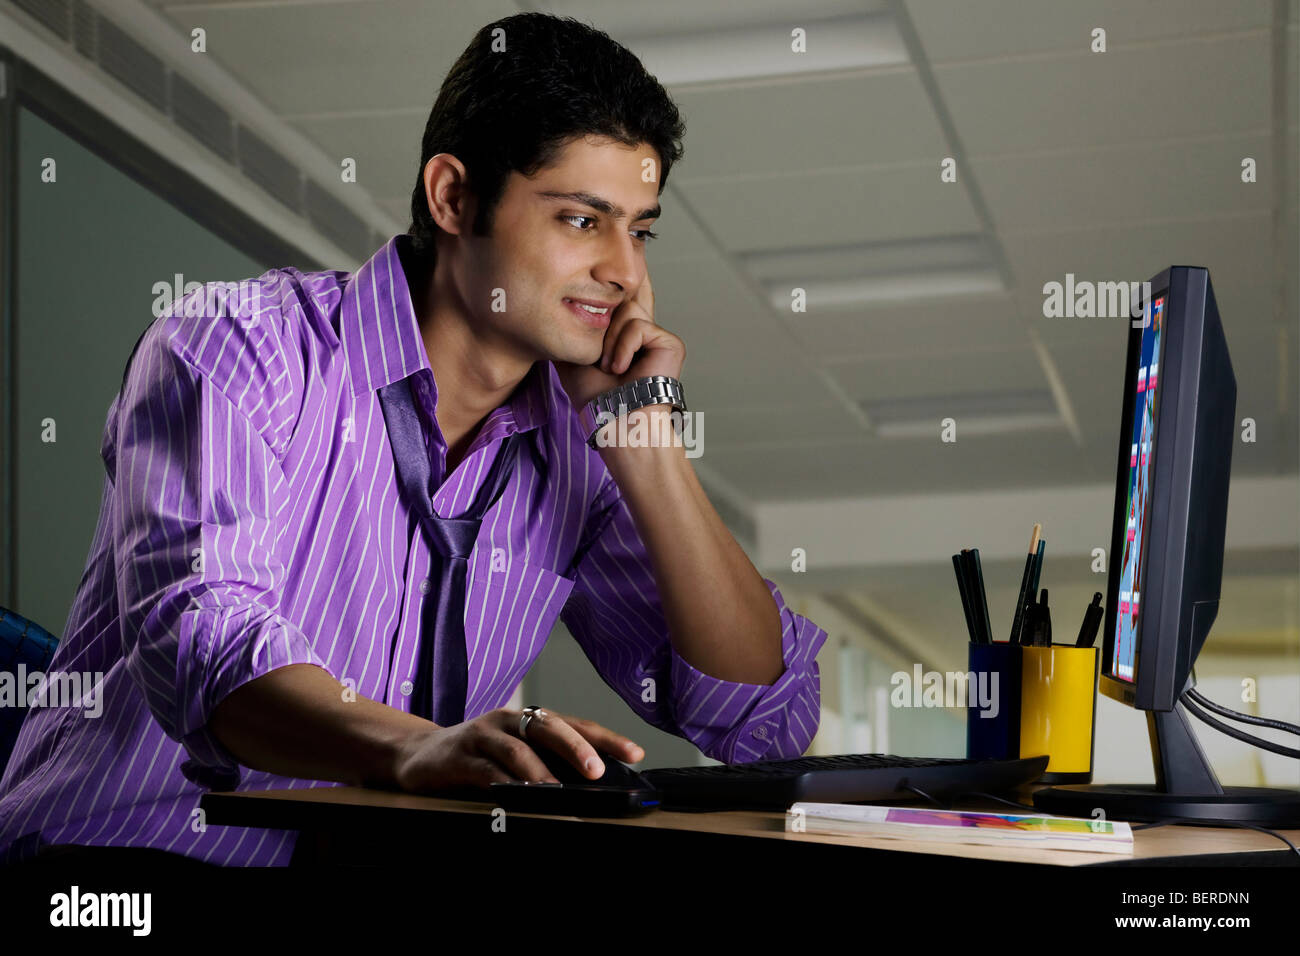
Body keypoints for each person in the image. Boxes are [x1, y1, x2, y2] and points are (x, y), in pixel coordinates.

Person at [0, 12, 827, 868]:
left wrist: (644, 440)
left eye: (641, 229)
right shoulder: (237, 348)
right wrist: (410, 747)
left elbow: (763, 722)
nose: (626, 272)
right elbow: (205, 641)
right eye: (584, 220)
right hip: (117, 867)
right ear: (454, 197)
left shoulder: (578, 448)